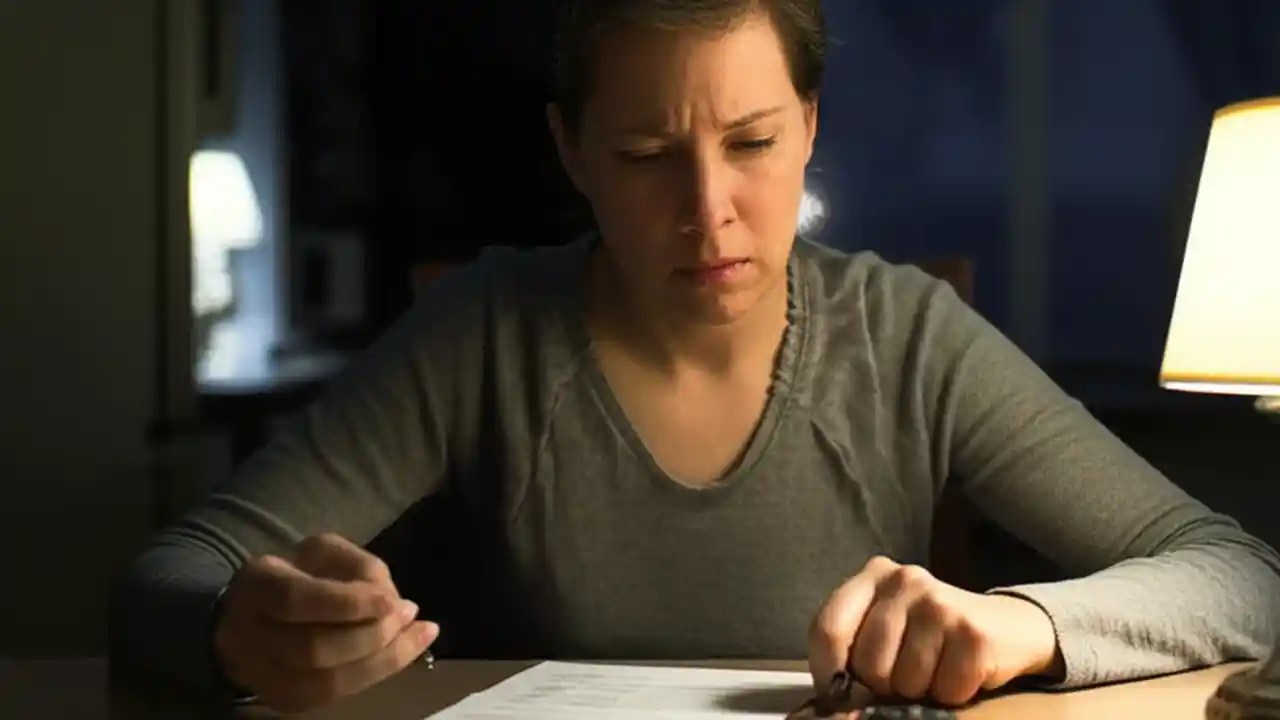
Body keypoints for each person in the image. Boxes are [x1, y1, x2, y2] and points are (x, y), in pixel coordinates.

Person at [109, 0, 1280, 714]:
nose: (708, 209)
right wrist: (234, 634)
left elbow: (1239, 578)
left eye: (752, 142)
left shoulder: (906, 335)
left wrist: (1019, 624)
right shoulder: (482, 333)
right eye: (643, 155)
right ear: (570, 152)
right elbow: (166, 578)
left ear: (808, 126)